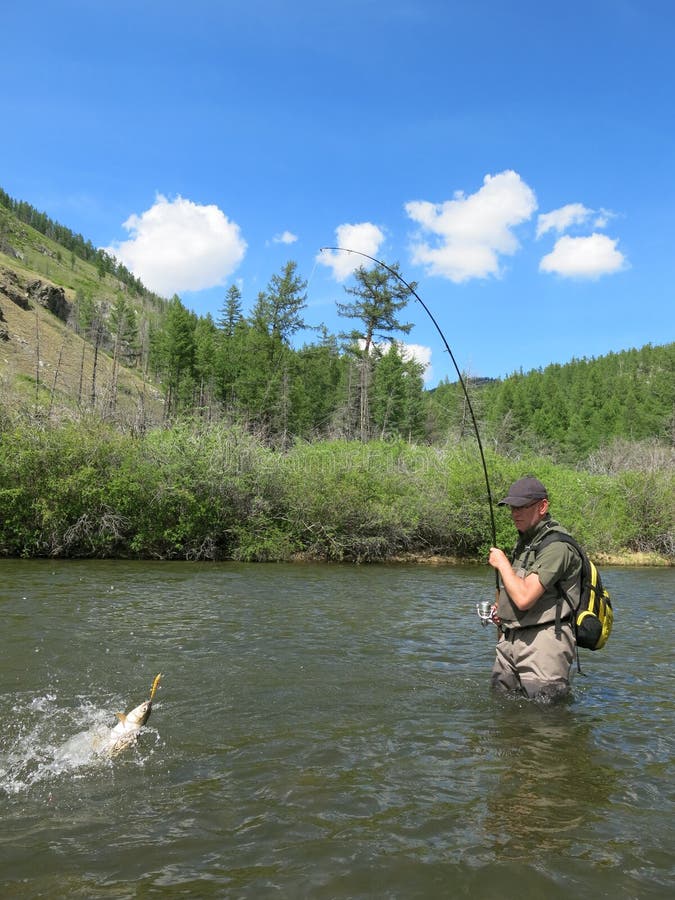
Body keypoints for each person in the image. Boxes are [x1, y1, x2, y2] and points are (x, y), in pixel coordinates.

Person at [487, 476, 582, 702]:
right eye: (512, 507)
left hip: (544, 644)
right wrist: (501, 609)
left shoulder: (558, 547)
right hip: (511, 640)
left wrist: (502, 564)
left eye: (521, 507)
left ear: (543, 506)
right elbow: (518, 589)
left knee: (545, 722)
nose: (514, 513)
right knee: (503, 712)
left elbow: (524, 598)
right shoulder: (527, 541)